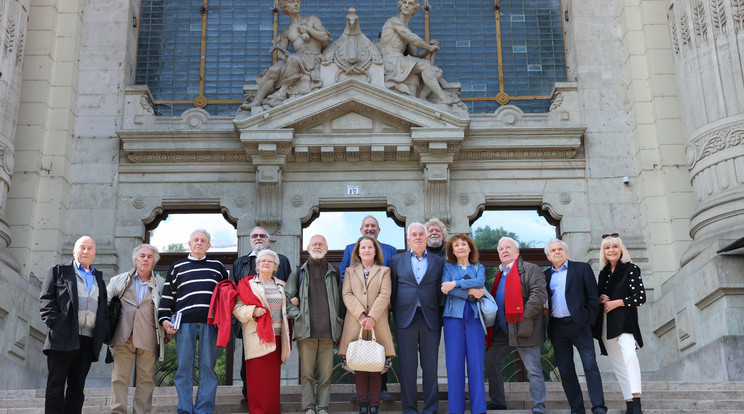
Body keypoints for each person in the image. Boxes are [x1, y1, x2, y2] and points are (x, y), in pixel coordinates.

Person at [158, 229, 228, 414]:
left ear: (208, 245)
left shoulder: (218, 267)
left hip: (211, 324)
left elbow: (225, 297)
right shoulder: (177, 266)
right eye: (195, 240)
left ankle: (204, 410)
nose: (199, 242)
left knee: (207, 368)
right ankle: (185, 410)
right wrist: (164, 319)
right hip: (184, 324)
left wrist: (225, 321)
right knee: (184, 368)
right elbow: (167, 297)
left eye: (203, 240)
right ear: (189, 244)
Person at [39, 235, 108, 414]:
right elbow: (46, 301)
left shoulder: (99, 279)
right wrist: (57, 324)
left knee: (77, 389)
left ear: (94, 253)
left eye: (90, 248)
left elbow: (103, 311)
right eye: (82, 247)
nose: (86, 251)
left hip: (87, 340)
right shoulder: (58, 271)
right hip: (62, 337)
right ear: (74, 251)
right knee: (56, 386)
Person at [485, 237, 547, 414]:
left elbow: (539, 294)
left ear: (517, 251)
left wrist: (523, 317)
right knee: (490, 360)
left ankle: (539, 406)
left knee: (533, 370)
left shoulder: (530, 269)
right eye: (501, 248)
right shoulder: (499, 274)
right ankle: (498, 401)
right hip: (503, 331)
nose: (504, 251)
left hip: (524, 329)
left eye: (508, 247)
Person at [544, 239, 606, 414]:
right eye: (553, 250)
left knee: (590, 366)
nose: (557, 252)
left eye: (560, 249)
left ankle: (599, 407)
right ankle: (577, 409)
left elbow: (593, 297)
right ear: (548, 256)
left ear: (566, 252)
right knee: (566, 371)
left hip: (580, 325)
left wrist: (588, 321)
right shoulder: (545, 275)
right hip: (557, 328)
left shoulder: (581, 268)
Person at [338, 215, 397, 401]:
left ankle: (382, 389)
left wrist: (376, 311)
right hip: (356, 314)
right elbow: (343, 278)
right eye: (367, 226)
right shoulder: (350, 249)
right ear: (361, 230)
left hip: (379, 313)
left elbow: (392, 280)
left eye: (373, 226)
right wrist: (359, 311)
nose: (370, 228)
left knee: (378, 349)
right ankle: (361, 393)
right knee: (357, 350)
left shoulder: (391, 250)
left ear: (378, 230)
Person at [231, 226, 292, 403]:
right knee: (249, 361)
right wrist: (247, 314)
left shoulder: (281, 261)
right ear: (250, 240)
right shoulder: (240, 263)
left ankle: (266, 400)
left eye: (262, 235)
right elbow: (234, 296)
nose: (258, 238)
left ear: (268, 240)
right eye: (254, 236)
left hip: (275, 326)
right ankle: (248, 395)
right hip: (249, 322)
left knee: (270, 368)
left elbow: (288, 289)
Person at [285, 235, 344, 414]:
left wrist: (340, 326)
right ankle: (309, 408)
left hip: (329, 333)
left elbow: (341, 303)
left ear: (326, 249)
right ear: (308, 248)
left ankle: (322, 407)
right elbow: (287, 299)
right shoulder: (299, 272)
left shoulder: (334, 272)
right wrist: (298, 315)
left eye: (321, 244)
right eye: (314, 244)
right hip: (306, 332)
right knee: (307, 375)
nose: (317, 247)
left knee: (326, 376)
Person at [390, 222, 445, 414]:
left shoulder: (439, 262)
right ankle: (410, 409)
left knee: (430, 367)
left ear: (427, 237)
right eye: (414, 234)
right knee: (407, 367)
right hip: (406, 319)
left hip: (430, 319)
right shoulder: (397, 261)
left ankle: (430, 408)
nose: (418, 237)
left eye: (421, 234)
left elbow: (440, 293)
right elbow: (394, 292)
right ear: (408, 239)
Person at [107, 244, 166, 414]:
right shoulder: (119, 280)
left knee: (146, 380)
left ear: (154, 261)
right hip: (122, 335)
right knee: (119, 378)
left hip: (149, 337)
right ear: (135, 259)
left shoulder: (162, 283)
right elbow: (106, 305)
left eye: (149, 256)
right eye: (142, 256)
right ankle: (117, 411)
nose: (145, 259)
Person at [241, 0, 331, 108]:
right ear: (285, 7)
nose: (296, 4)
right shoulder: (287, 31)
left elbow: (325, 38)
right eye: (292, 2)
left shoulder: (312, 19)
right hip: (296, 58)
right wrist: (284, 54)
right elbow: (280, 53)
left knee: (293, 59)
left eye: (297, 2)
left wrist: (308, 29)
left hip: (314, 57)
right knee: (272, 71)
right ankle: (256, 101)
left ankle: (283, 91)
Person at [594, 234, 646, 414]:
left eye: (615, 247)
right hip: (606, 325)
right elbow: (599, 297)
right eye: (607, 248)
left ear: (621, 249)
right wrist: (600, 298)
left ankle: (637, 401)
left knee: (630, 356)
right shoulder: (603, 273)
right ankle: (629, 403)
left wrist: (617, 302)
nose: (611, 250)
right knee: (618, 365)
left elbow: (640, 297)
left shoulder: (631, 269)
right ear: (604, 252)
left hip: (625, 322)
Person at [440, 234, 487, 414]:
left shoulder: (478, 267)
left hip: (475, 318)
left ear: (470, 248)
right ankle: (456, 410)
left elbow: (480, 282)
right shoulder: (448, 267)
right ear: (452, 250)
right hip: (453, 318)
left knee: (476, 363)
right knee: (454, 363)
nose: (460, 247)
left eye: (463, 244)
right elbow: (447, 290)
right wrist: (470, 292)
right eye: (456, 245)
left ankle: (479, 409)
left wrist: (456, 283)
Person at [379, 0, 453, 104]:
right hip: (391, 61)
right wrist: (428, 47)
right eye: (404, 2)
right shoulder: (393, 21)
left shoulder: (406, 29)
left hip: (400, 61)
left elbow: (415, 54)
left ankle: (422, 97)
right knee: (426, 65)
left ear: (415, 9)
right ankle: (442, 98)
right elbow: (412, 37)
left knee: (437, 72)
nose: (406, 5)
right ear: (400, 5)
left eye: (410, 3)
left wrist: (428, 49)